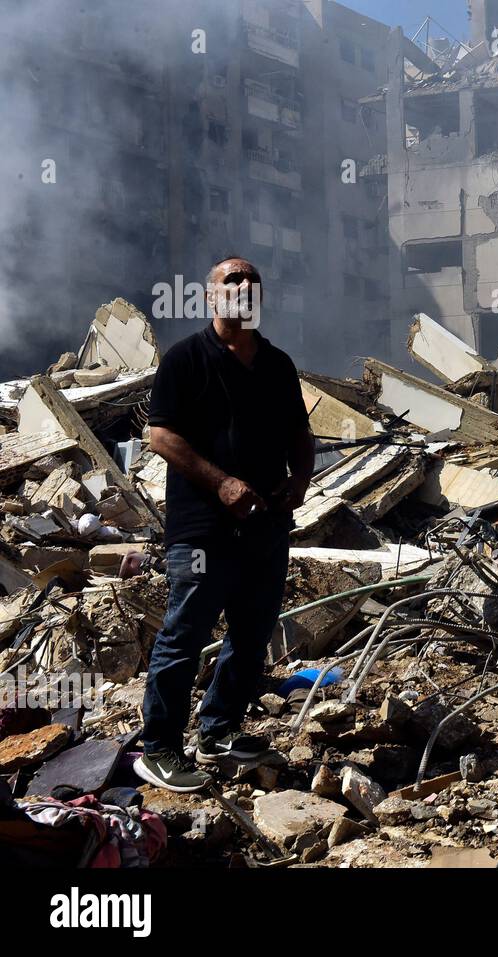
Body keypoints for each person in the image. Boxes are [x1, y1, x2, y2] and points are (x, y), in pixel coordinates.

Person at [133, 255, 313, 792]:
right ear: (211, 297)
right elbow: (160, 437)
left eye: (252, 279)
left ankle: (219, 732)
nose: (243, 285)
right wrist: (222, 484)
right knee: (184, 633)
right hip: (201, 528)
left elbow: (300, 435)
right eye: (231, 279)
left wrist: (300, 480)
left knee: (253, 632)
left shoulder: (278, 364)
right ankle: (160, 747)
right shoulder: (186, 359)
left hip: (265, 526)